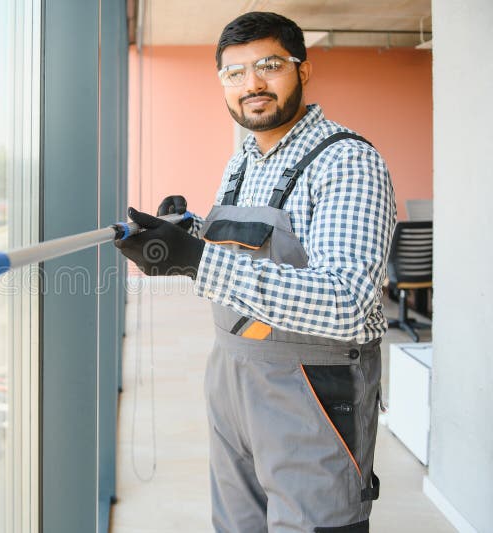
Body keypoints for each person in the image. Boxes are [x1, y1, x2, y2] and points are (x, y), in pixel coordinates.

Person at [115, 11, 396, 533]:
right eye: (235, 73)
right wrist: (186, 231)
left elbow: (348, 302)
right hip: (232, 377)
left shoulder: (346, 161)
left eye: (269, 66)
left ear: (302, 70)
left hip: (311, 389)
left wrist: (197, 259)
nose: (253, 84)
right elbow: (249, 250)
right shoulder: (243, 160)